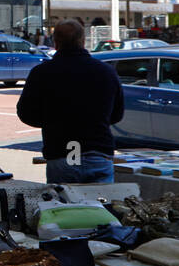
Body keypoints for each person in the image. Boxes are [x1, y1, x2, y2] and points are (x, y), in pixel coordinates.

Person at [17, 18, 124, 184]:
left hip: (61, 153)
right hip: (98, 152)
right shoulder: (106, 71)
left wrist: (51, 122)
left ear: (56, 42)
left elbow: (26, 113)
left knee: (65, 207)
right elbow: (117, 114)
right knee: (100, 207)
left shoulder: (42, 73)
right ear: (83, 41)